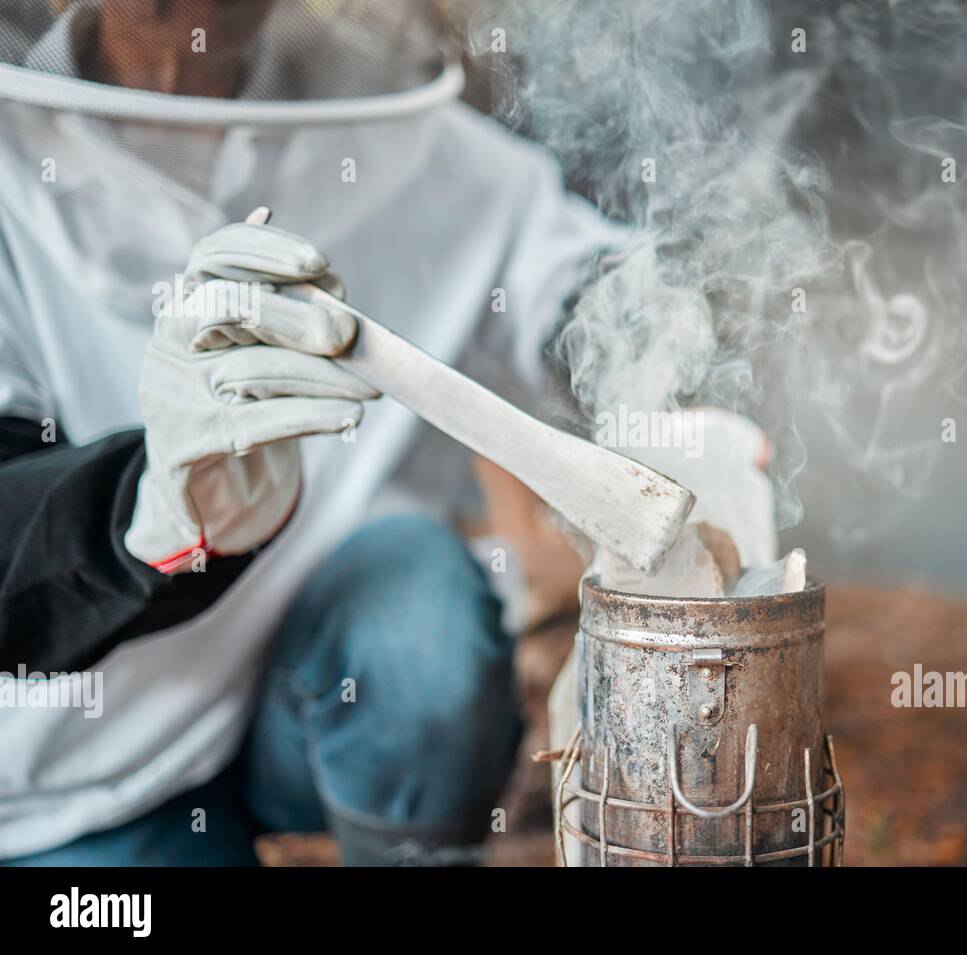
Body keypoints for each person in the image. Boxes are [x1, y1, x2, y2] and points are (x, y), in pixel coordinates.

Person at [0, 0, 619, 864]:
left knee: (420, 622)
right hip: (72, 775)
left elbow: (574, 279)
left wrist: (662, 351)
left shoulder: (376, 118)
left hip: (295, 687)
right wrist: (144, 511)